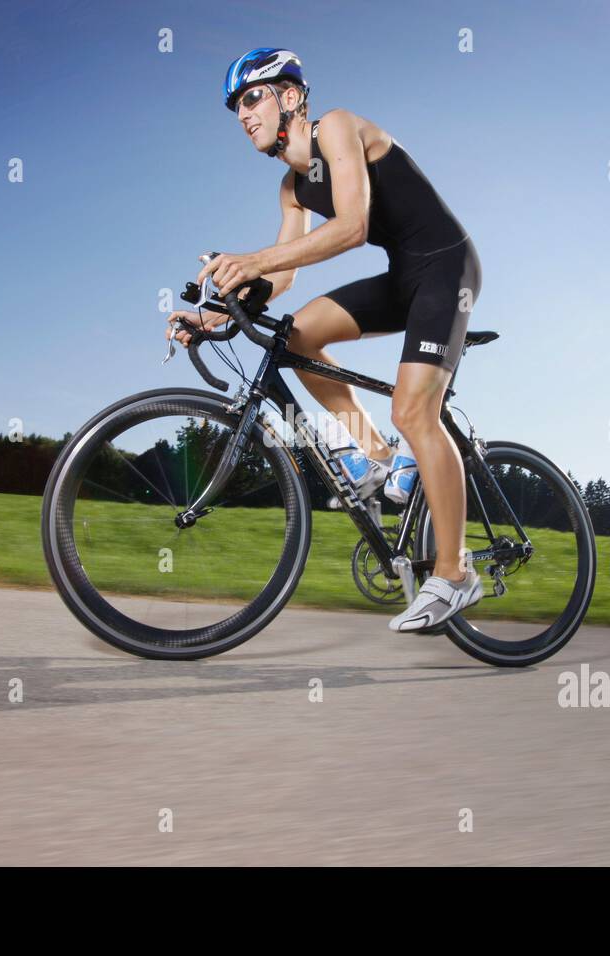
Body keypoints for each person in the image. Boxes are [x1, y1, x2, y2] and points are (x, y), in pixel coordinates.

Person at [166, 47, 484, 632]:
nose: (243, 114)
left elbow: (352, 227)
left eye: (252, 97)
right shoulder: (292, 187)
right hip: (402, 277)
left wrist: (252, 257)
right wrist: (215, 316)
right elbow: (282, 277)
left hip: (445, 267)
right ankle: (380, 458)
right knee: (298, 334)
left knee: (414, 410)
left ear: (290, 97)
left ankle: (455, 573)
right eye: (236, 106)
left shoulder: (337, 127)